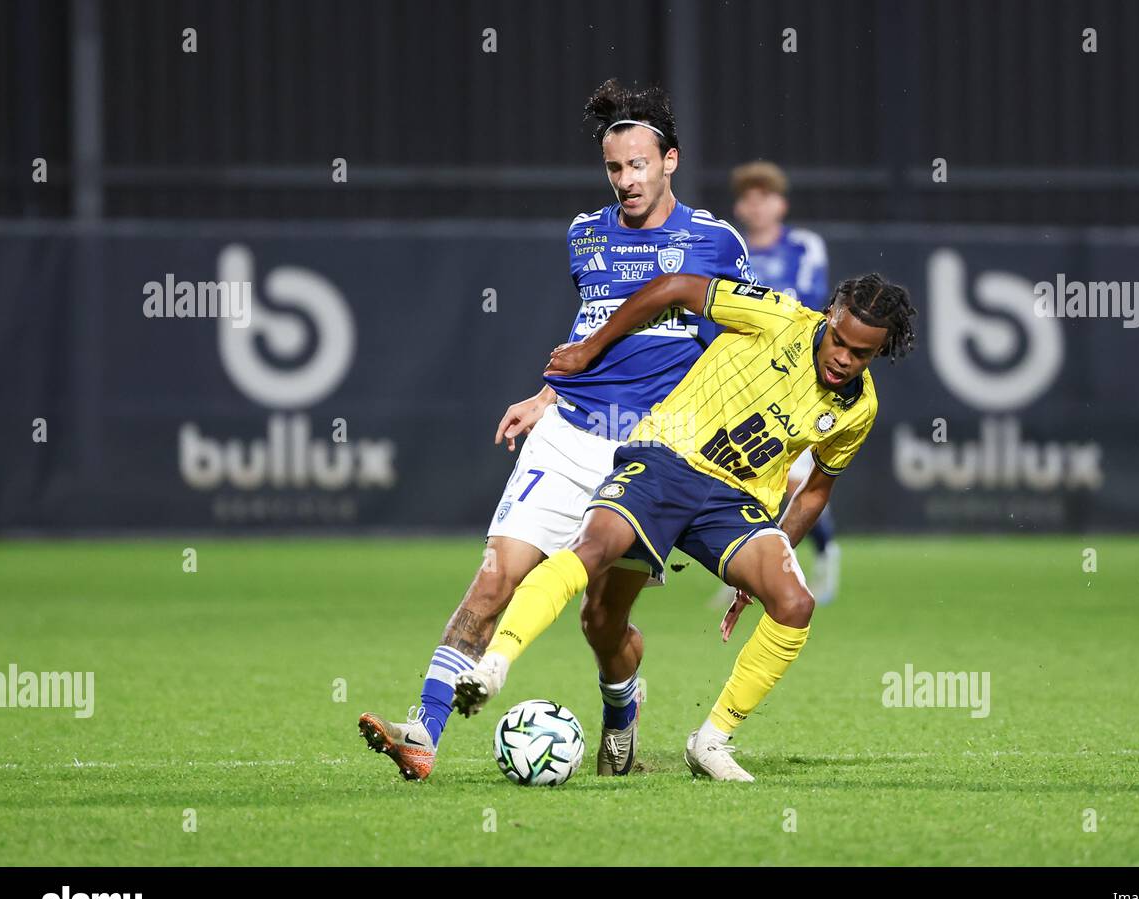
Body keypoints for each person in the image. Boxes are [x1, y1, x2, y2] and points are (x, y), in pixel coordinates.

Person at [358, 79, 755, 781]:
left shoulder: (714, 242)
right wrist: (548, 394)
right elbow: (593, 333)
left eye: (639, 164)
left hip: (650, 456)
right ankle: (423, 731)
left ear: (671, 161)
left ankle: (621, 704)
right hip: (569, 435)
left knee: (601, 623)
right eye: (614, 167)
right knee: (493, 580)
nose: (626, 180)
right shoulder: (585, 234)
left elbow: (744, 350)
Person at [453, 271, 916, 781]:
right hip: (667, 460)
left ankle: (711, 740)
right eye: (840, 341)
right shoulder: (775, 316)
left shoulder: (861, 407)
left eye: (862, 354)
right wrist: (589, 348)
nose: (844, 358)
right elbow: (674, 287)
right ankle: (494, 665)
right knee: (595, 571)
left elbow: (815, 492)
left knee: (794, 602)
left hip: (735, 500)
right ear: (828, 318)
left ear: (881, 352)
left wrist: (769, 559)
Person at [729, 160, 841, 603]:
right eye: (749, 198)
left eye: (765, 197)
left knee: (796, 481)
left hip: (794, 381)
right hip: (741, 380)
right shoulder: (733, 250)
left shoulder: (804, 247)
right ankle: (746, 569)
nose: (756, 206)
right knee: (743, 477)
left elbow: (815, 307)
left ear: (780, 203)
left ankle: (827, 552)